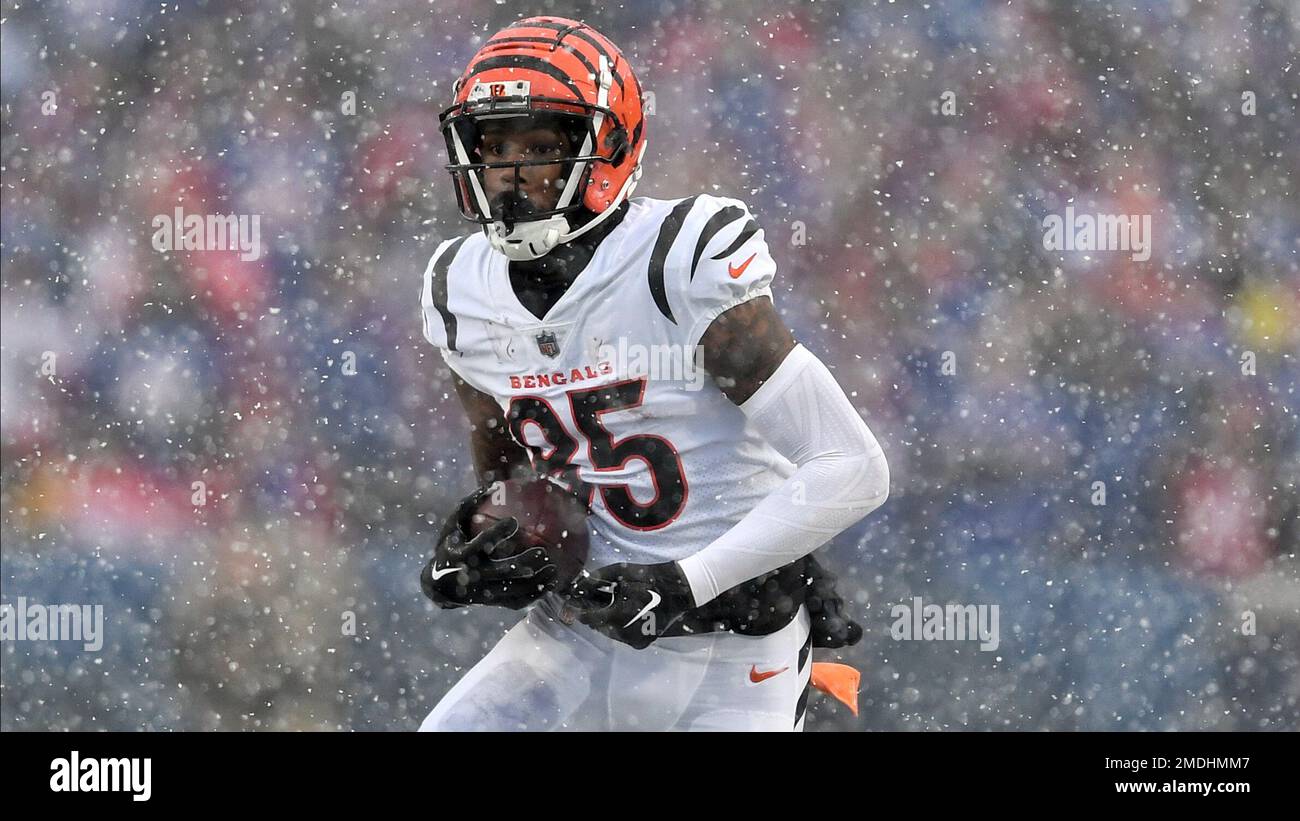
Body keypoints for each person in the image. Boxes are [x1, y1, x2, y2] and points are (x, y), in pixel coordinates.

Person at [417, 15, 889, 731]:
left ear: (605, 148)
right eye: (494, 145)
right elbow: (517, 486)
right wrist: (474, 555)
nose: (510, 172)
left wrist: (687, 580)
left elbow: (853, 467)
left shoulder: (679, 257)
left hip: (735, 650)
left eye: (541, 144)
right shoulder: (459, 289)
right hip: (577, 634)